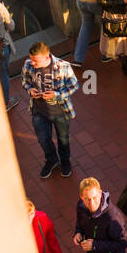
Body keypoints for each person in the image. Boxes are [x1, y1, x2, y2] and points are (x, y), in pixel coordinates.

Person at [22, 40, 81, 179]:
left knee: (63, 139)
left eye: (36, 61)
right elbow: (25, 81)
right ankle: (52, 160)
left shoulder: (63, 66)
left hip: (60, 111)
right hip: (38, 111)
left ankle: (65, 161)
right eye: (31, 60)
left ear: (47, 57)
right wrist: (30, 90)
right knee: (43, 139)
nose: (33, 64)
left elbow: (74, 86)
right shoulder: (27, 64)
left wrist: (57, 94)